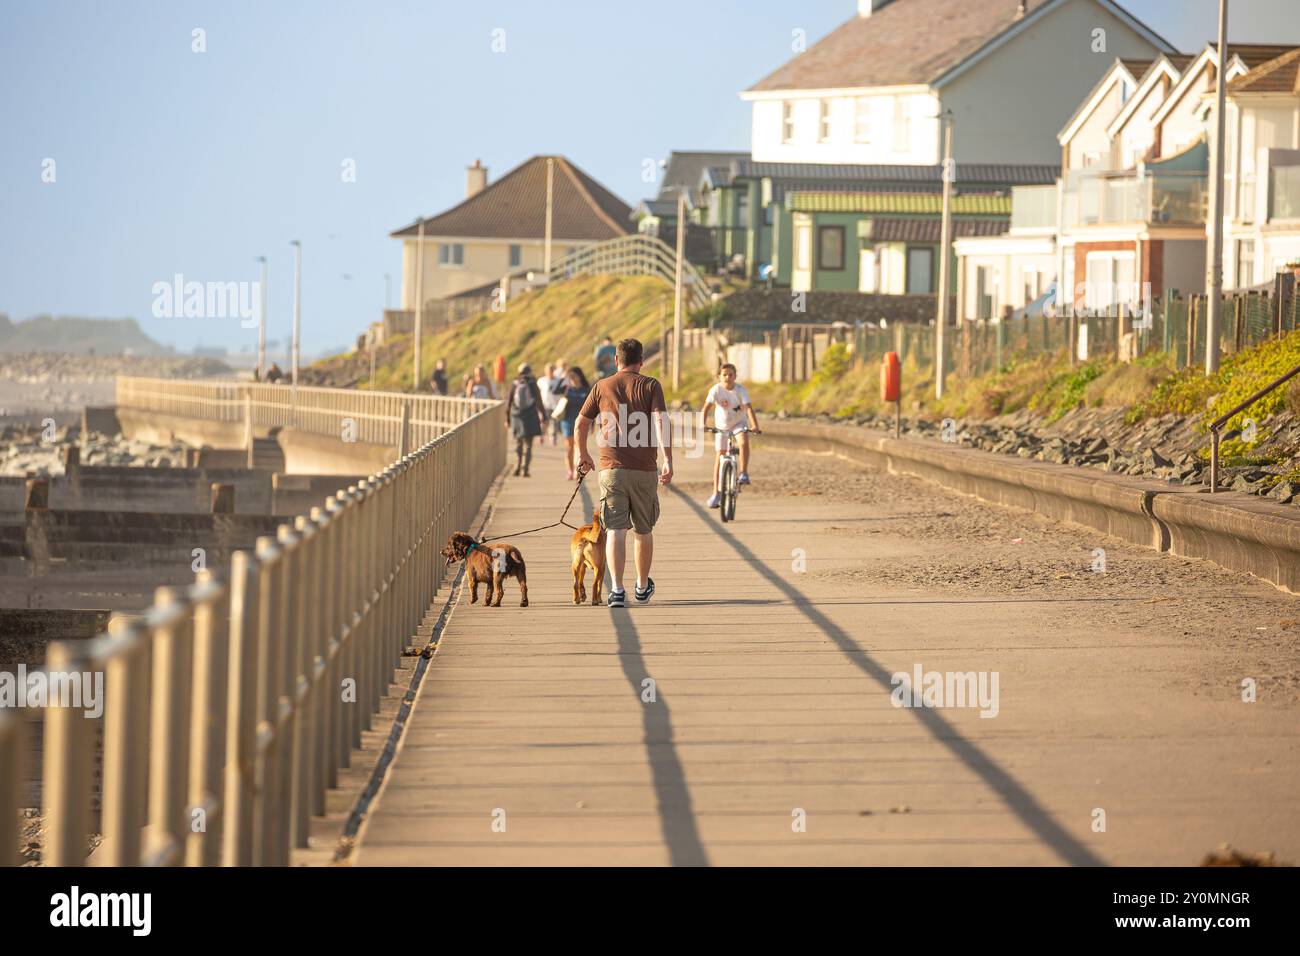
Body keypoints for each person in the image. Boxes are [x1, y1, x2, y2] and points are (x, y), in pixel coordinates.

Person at [576, 338, 672, 609]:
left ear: (615, 360)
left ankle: (616, 591)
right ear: (641, 361)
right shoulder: (651, 385)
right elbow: (661, 421)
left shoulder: (601, 387)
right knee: (643, 529)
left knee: (616, 529)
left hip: (610, 470)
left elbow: (581, 423)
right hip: (644, 469)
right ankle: (642, 586)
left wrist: (582, 454)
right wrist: (668, 460)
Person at [701, 362, 760, 508]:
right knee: (720, 457)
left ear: (735, 376)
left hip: (739, 423)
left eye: (731, 375)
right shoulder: (715, 390)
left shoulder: (740, 390)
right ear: (719, 376)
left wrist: (755, 426)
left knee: (743, 442)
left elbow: (749, 409)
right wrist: (702, 424)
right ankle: (716, 493)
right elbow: (705, 408)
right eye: (724, 375)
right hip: (722, 426)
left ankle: (743, 473)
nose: (728, 377)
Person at [505, 363, 547, 477]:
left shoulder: (515, 383)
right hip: (530, 415)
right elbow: (539, 401)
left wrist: (507, 418)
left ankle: (518, 466)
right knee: (529, 444)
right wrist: (544, 416)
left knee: (519, 442)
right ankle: (525, 469)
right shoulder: (532, 384)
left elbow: (509, 402)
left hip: (517, 415)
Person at [557, 366, 590, 480]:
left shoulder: (585, 389)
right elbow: (555, 390)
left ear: (579, 376)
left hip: (581, 423)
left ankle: (577, 469)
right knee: (569, 447)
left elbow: (588, 406)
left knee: (579, 447)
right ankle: (570, 471)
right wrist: (563, 377)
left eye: (573, 376)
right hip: (567, 421)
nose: (572, 378)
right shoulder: (567, 388)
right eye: (570, 376)